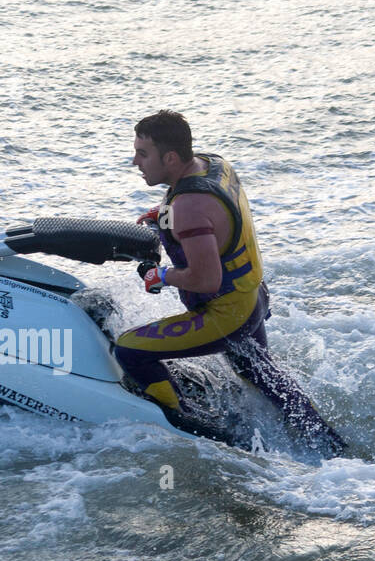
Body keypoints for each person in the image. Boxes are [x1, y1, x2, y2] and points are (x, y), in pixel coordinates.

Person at [115, 109, 347, 456]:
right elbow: (215, 216)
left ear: (172, 157)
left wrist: (160, 275)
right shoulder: (213, 163)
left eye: (143, 154)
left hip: (226, 313)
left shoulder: (189, 207)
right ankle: (330, 446)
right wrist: (162, 216)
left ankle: (182, 420)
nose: (135, 161)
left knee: (129, 350)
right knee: (261, 373)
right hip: (252, 297)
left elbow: (206, 279)